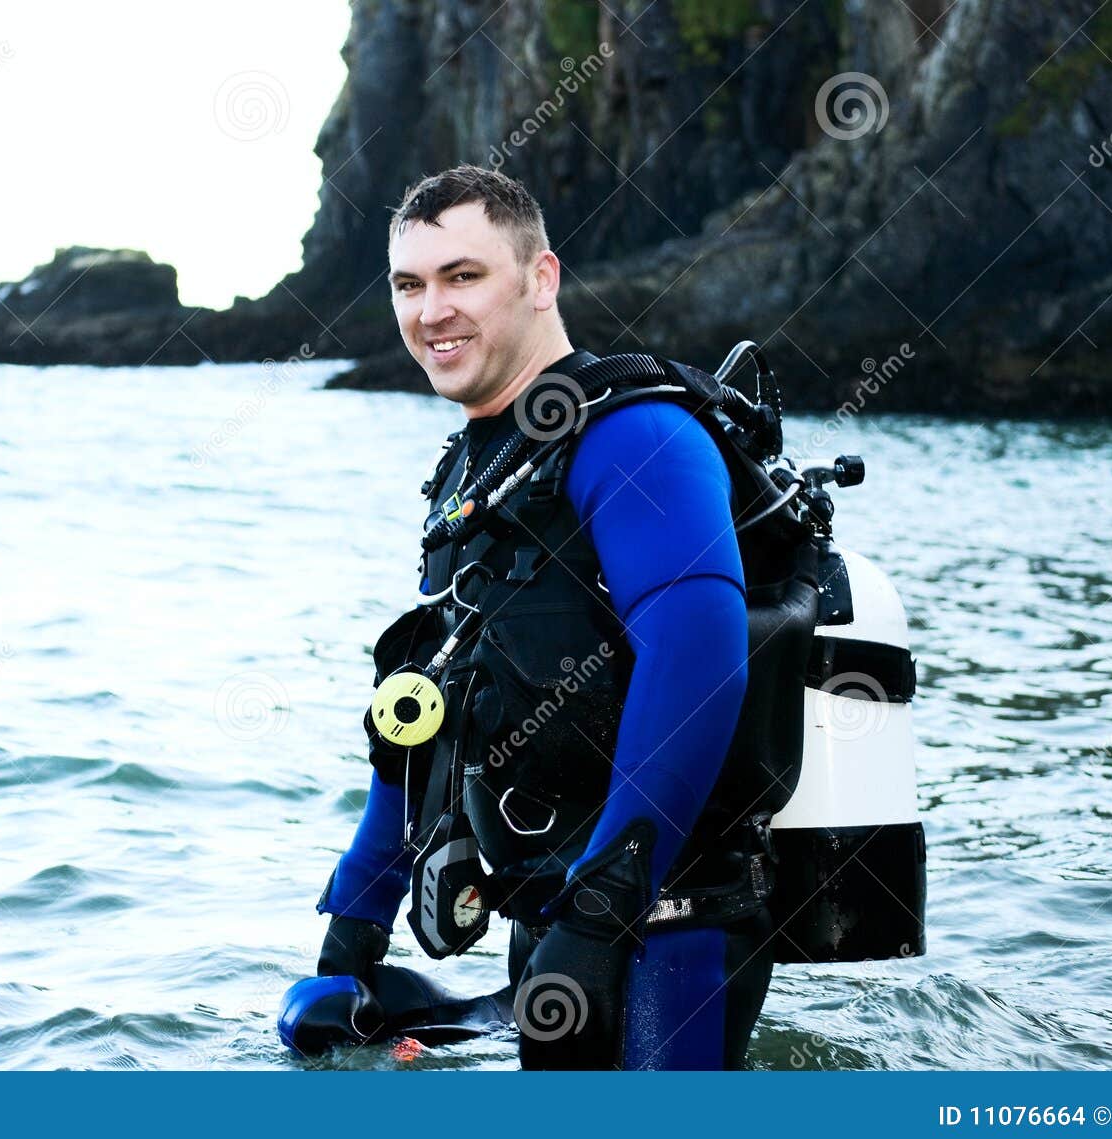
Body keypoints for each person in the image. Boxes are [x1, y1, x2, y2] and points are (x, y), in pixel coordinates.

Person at [295, 165, 778, 1070]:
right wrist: (353, 927)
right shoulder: (469, 477)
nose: (431, 310)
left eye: (463, 276)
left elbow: (699, 660)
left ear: (541, 279)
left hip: (673, 925)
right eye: (410, 283)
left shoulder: (637, 437)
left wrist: (602, 915)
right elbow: (424, 716)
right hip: (551, 920)